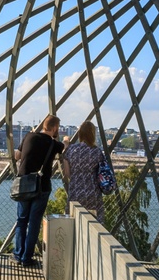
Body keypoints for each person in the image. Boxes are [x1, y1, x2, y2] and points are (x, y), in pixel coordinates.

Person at [13, 114, 65, 267]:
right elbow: (65, 147)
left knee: (21, 220)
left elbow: (17, 155)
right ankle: (27, 259)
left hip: (24, 185)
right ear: (55, 128)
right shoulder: (54, 144)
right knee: (34, 222)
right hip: (42, 186)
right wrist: (66, 141)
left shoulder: (29, 136)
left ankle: (18, 254)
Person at [60, 121, 105, 221]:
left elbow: (67, 174)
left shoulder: (71, 150)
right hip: (93, 192)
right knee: (95, 223)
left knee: (73, 222)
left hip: (75, 190)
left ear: (80, 134)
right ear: (92, 134)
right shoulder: (97, 151)